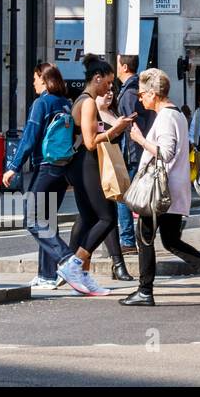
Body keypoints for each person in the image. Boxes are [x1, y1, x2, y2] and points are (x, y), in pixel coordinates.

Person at [120, 68, 200, 306]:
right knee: (171, 240)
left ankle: (145, 291)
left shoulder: (165, 117)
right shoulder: (176, 113)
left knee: (144, 238)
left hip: (160, 190)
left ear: (154, 93)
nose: (141, 98)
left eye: (143, 93)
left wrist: (139, 140)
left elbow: (165, 153)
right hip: (174, 188)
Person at [54, 56, 135, 297]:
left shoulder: (82, 100)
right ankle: (74, 264)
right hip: (86, 164)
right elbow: (90, 142)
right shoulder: (88, 103)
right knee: (107, 218)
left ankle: (83, 275)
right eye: (108, 83)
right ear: (97, 78)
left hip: (81, 166)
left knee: (89, 218)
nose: (109, 88)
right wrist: (115, 130)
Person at [2, 64, 74, 290]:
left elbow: (30, 137)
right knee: (47, 220)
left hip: (45, 166)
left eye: (35, 78)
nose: (33, 82)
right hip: (62, 168)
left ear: (43, 79)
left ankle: (67, 258)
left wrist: (13, 166)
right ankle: (47, 275)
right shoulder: (65, 103)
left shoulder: (41, 103)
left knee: (32, 219)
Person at [114, 54, 152, 263]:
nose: (116, 67)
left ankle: (128, 240)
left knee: (124, 196)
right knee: (138, 196)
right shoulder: (138, 89)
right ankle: (141, 237)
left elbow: (129, 124)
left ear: (124, 66)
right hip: (137, 151)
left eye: (118, 63)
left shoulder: (129, 93)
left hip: (132, 152)